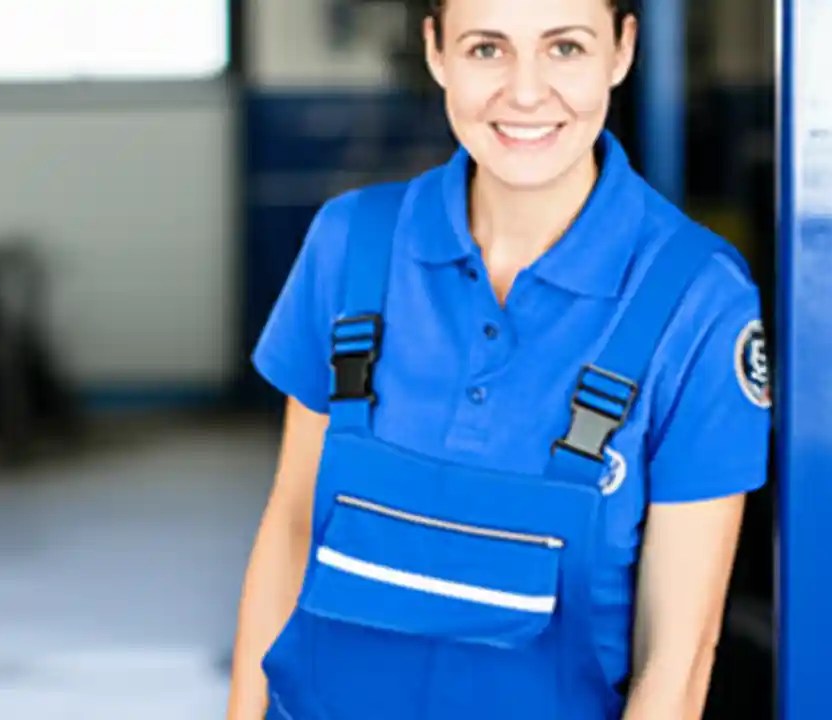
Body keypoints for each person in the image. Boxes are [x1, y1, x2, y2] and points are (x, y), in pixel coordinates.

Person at [225, 0, 771, 718]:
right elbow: (292, 529)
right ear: (436, 51)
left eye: (565, 48)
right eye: (487, 48)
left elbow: (678, 654)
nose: (524, 91)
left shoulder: (697, 300)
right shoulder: (351, 245)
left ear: (621, 50)